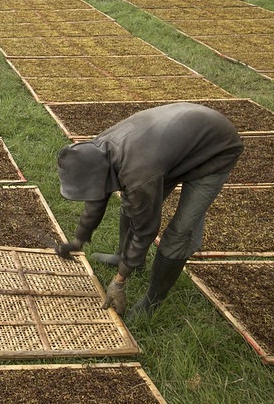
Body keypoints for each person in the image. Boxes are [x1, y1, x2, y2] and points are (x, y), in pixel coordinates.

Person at [54, 103, 243, 320]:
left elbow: (146, 228)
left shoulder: (138, 173)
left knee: (180, 232)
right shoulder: (98, 150)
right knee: (130, 202)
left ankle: (153, 300)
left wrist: (119, 281)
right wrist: (79, 240)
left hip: (215, 149)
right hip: (174, 146)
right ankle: (123, 257)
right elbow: (97, 196)